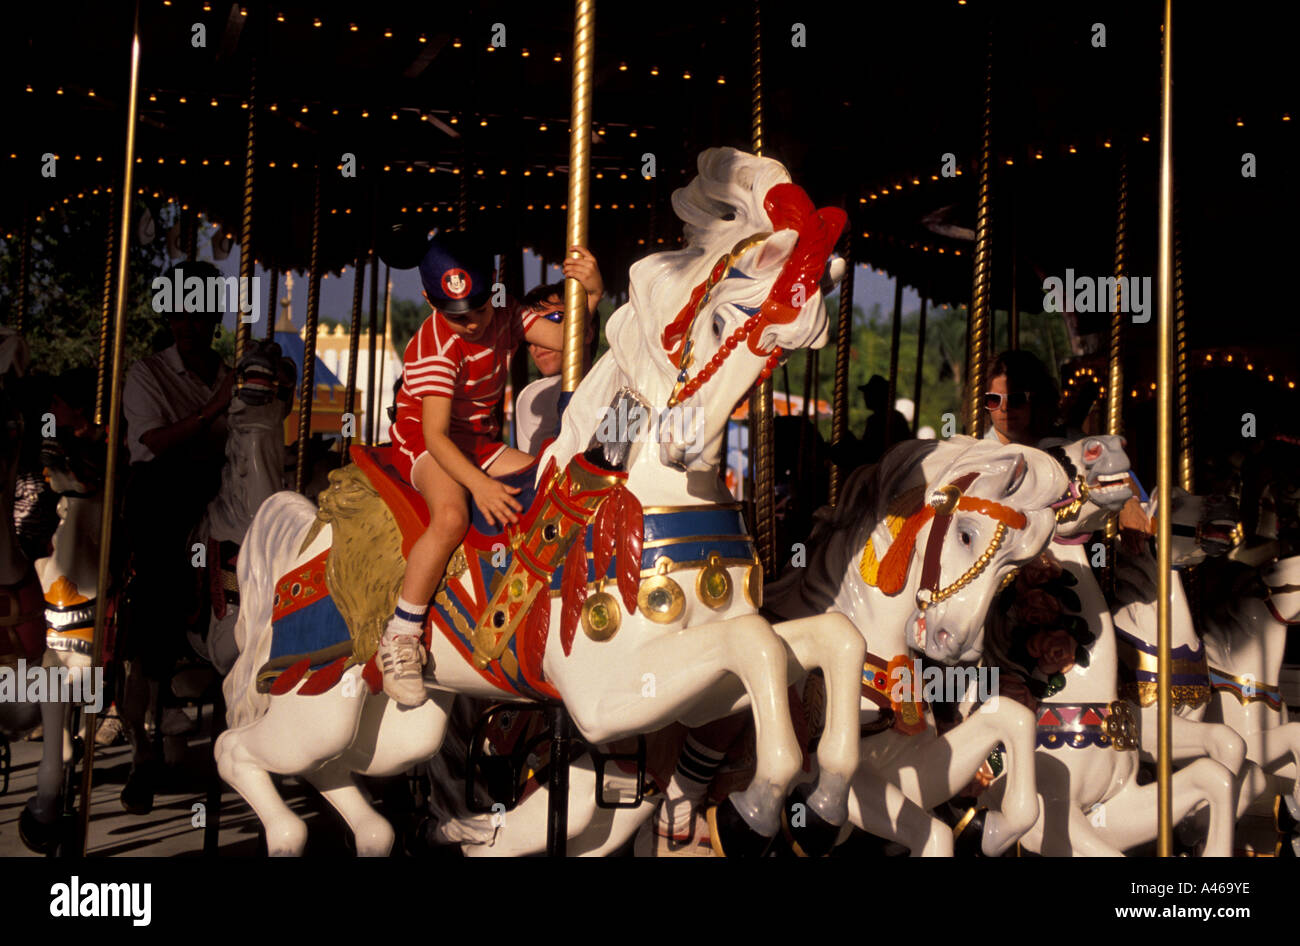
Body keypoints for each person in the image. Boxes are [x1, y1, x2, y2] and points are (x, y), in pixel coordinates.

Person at [379, 238, 603, 706]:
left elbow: (570, 341)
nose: (473, 322)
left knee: (553, 482)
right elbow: (437, 436)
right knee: (450, 517)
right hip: (424, 442)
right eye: (457, 313)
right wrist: (478, 484)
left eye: (479, 307)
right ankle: (401, 634)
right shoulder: (437, 347)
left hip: (478, 442)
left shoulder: (505, 317)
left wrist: (594, 296)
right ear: (429, 302)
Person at [119, 261, 235, 809]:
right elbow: (155, 442)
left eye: (198, 309)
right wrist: (212, 409)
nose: (186, 320)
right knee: (163, 569)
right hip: (163, 494)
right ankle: (154, 694)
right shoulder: (146, 373)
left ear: (214, 314)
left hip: (217, 492)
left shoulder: (228, 371)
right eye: (178, 309)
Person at [983, 349, 1151, 550]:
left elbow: (1117, 472)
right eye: (994, 400)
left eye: (1016, 400)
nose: (1004, 409)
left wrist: (1127, 502)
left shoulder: (1068, 442)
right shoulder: (983, 454)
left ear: (1036, 399)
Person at [512, 281, 601, 455]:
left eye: (553, 320)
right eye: (530, 334)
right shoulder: (537, 396)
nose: (538, 341)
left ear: (588, 332)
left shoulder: (619, 386)